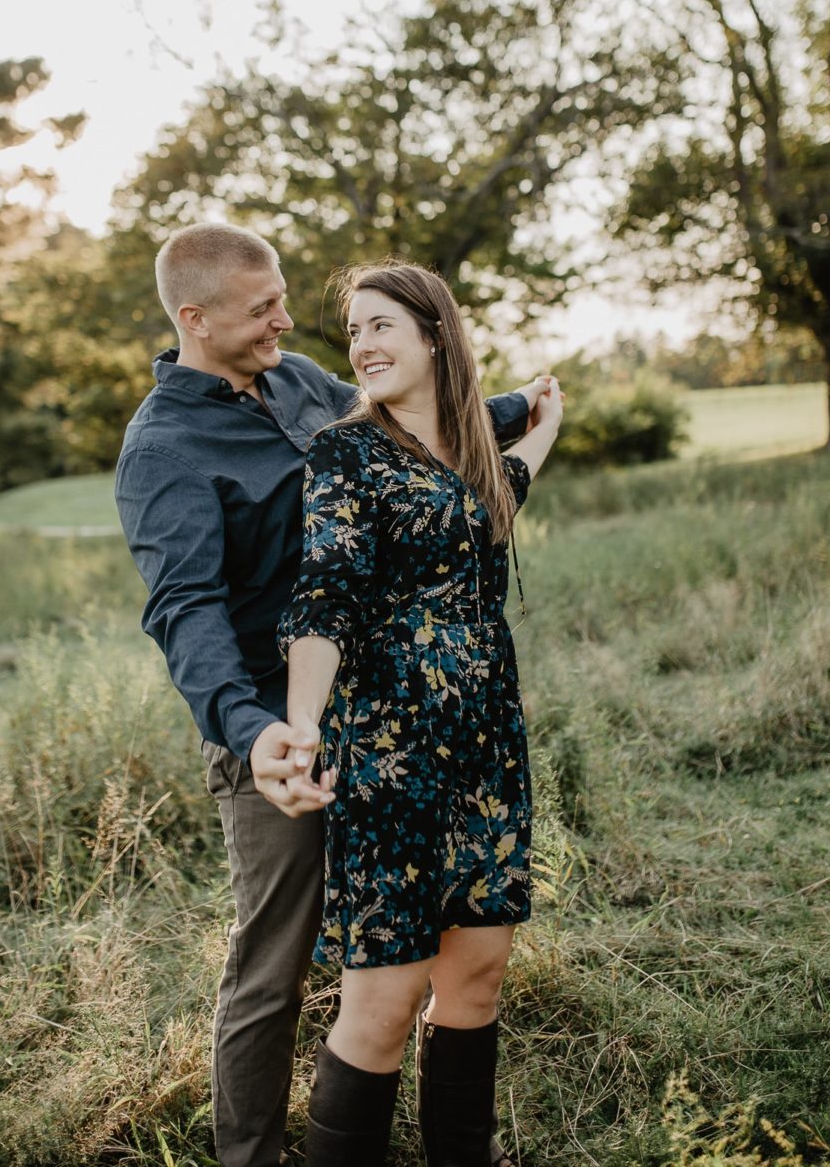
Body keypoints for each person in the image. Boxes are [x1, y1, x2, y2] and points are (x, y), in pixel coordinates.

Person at [114, 224, 538, 1167]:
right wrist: (254, 729)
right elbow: (185, 608)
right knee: (277, 962)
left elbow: (407, 428)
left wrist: (517, 406)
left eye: (282, 300)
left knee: (422, 944)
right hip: (279, 730)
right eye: (262, 308)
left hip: (390, 714)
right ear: (196, 318)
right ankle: (252, 1157)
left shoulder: (300, 379)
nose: (285, 320)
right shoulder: (164, 449)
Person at [275, 261, 563, 1167]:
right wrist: (303, 723)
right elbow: (326, 593)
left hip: (486, 747)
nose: (362, 344)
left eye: (381, 325)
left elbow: (494, 495)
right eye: (354, 330)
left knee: (477, 974)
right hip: (389, 754)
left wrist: (545, 427)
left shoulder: (472, 452)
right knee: (386, 999)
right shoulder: (345, 453)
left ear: (435, 335)